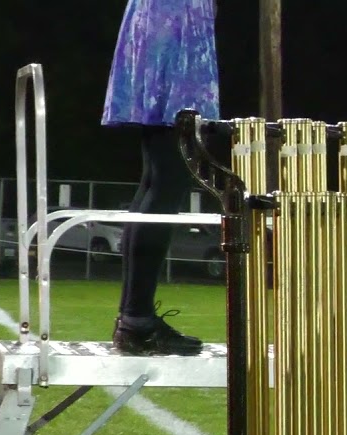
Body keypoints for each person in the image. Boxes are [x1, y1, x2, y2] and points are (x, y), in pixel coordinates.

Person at [101, 0, 220, 355]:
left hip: (166, 21)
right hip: (174, 23)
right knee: (167, 178)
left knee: (158, 178)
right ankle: (136, 320)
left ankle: (133, 317)